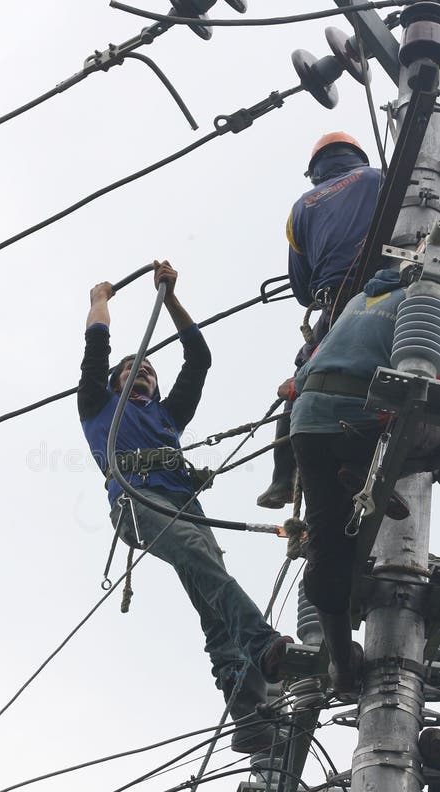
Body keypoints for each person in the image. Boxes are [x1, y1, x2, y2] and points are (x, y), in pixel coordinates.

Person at [78, 259, 292, 751]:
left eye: (148, 371)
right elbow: (96, 349)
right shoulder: (98, 407)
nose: (142, 375)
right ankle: (264, 647)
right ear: (115, 382)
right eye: (132, 370)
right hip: (136, 502)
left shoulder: (168, 417)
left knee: (211, 598)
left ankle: (248, 715)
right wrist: (99, 303)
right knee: (196, 553)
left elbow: (198, 359)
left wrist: (171, 299)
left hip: (183, 504)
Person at [280, 265, 440, 692]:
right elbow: (421, 373)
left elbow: (297, 380)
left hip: (308, 425)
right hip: (359, 419)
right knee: (427, 433)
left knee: (329, 549)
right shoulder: (422, 303)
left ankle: (341, 665)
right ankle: (370, 470)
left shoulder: (355, 302)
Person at [258, 132, 382, 509]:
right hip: (381, 294)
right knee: (386, 372)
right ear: (357, 157)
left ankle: (283, 478)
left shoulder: (300, 208)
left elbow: (301, 287)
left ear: (314, 172)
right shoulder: (382, 177)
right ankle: (365, 461)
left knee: (305, 380)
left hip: (333, 303)